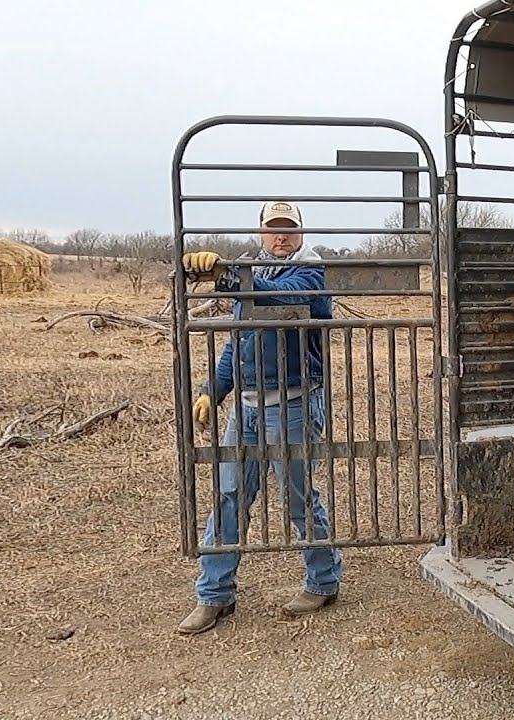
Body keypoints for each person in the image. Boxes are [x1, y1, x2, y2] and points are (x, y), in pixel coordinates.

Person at [176, 200, 341, 635]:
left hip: (293, 404)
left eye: (288, 228)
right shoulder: (252, 273)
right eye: (273, 228)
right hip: (246, 408)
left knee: (298, 497)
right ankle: (214, 595)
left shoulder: (311, 273)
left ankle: (323, 582)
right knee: (228, 495)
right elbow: (238, 341)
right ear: (261, 232)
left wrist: (227, 278)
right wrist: (214, 391)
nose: (281, 236)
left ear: (302, 233)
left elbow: (285, 301)